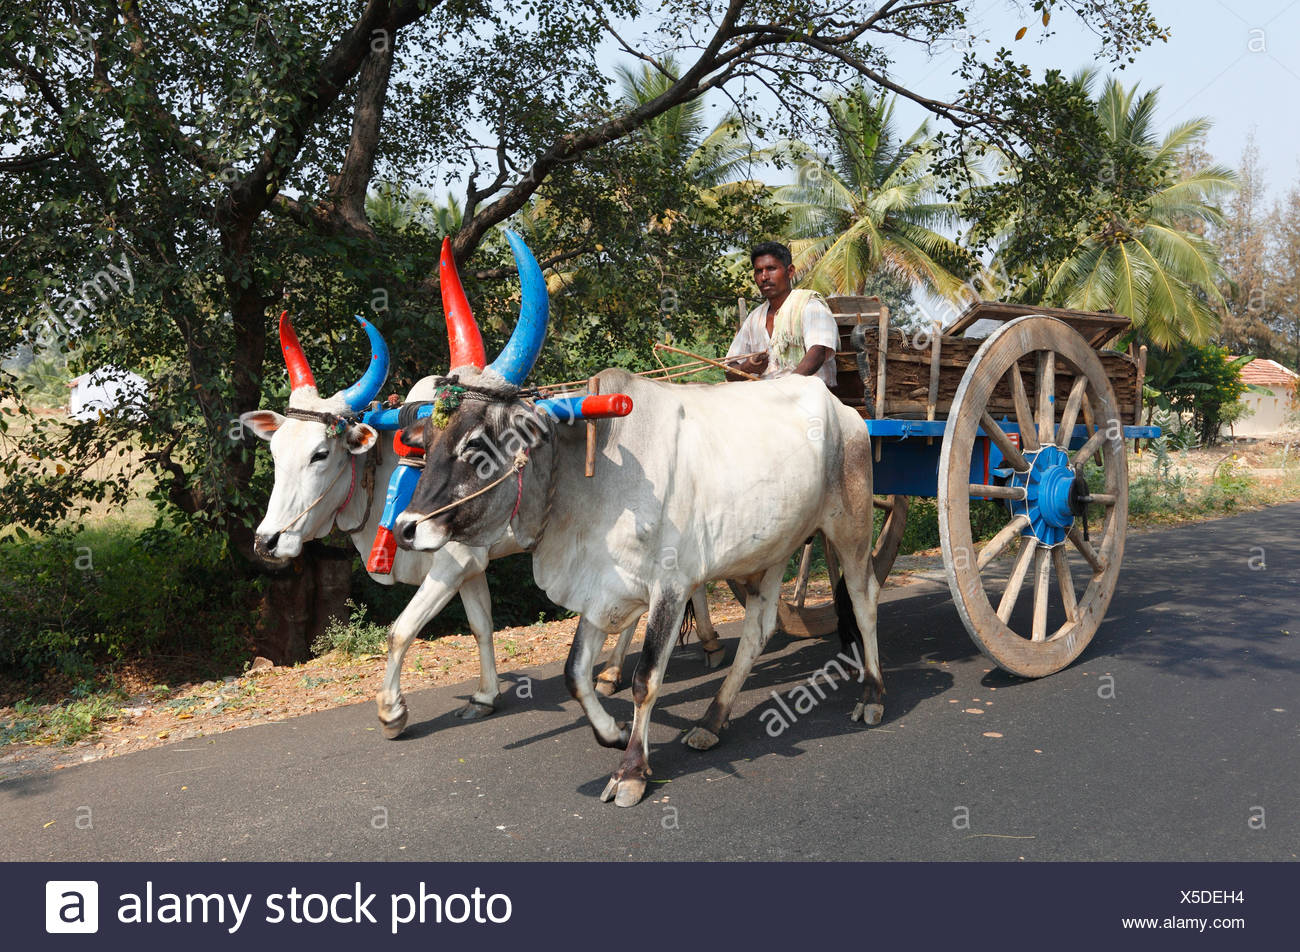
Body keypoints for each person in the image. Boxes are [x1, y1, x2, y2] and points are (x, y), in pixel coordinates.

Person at [725, 241, 838, 387]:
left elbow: (818, 351)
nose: (764, 277)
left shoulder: (809, 305)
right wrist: (746, 368)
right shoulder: (754, 318)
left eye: (771, 268)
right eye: (759, 271)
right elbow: (728, 368)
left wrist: (787, 386)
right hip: (768, 398)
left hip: (810, 397)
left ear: (790, 271)